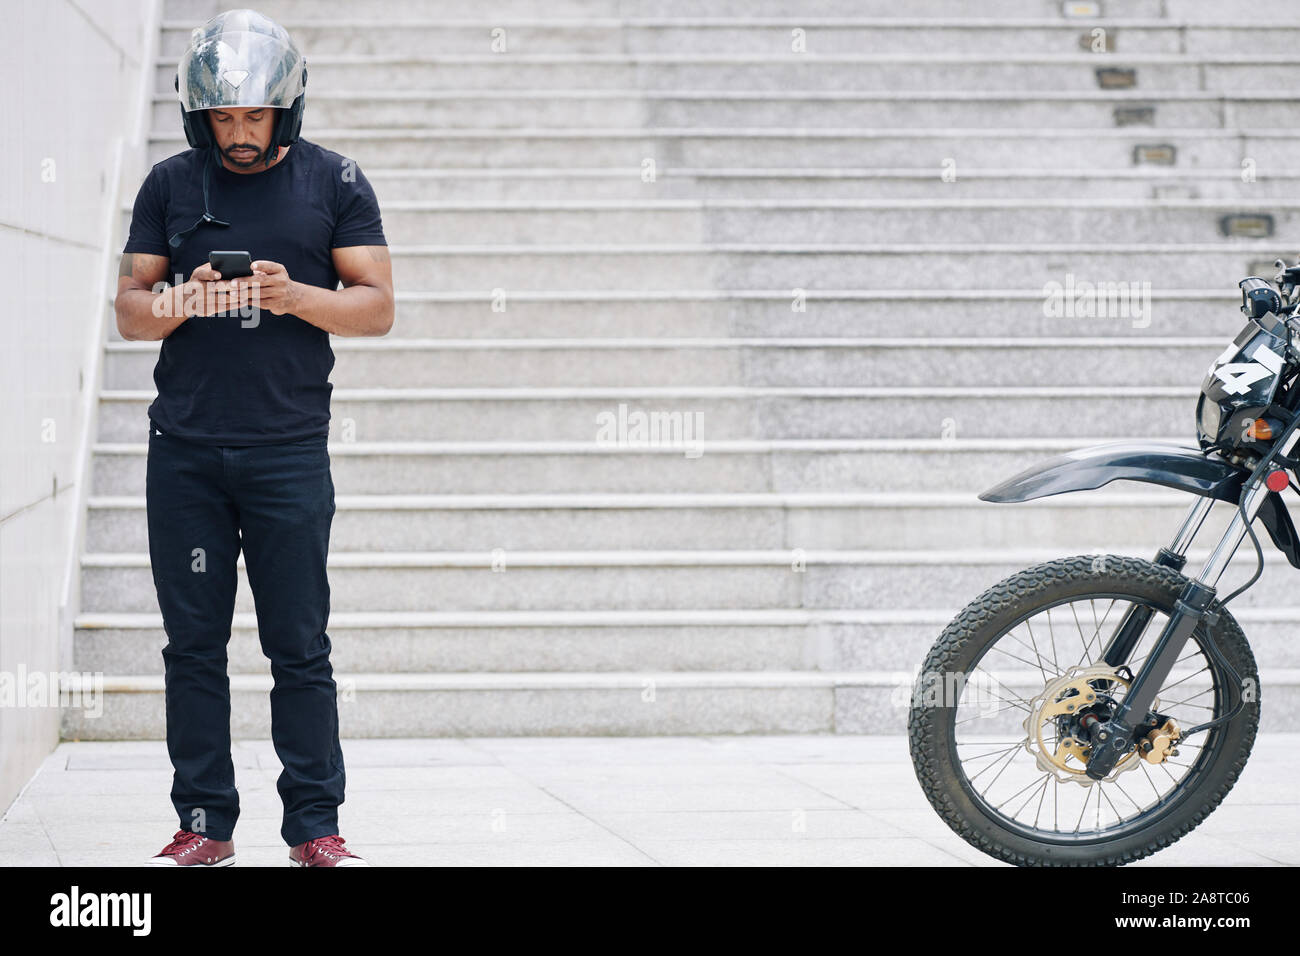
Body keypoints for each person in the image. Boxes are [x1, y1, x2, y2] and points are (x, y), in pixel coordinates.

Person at [114, 9, 393, 867]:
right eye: (223, 119)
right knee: (192, 646)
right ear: (201, 117)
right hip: (187, 453)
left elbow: (376, 306)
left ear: (286, 110)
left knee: (299, 645)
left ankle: (315, 828)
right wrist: (183, 302)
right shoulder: (168, 184)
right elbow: (130, 312)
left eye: (254, 117)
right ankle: (204, 825)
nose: (238, 134)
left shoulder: (336, 181)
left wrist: (293, 295)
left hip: (288, 451)